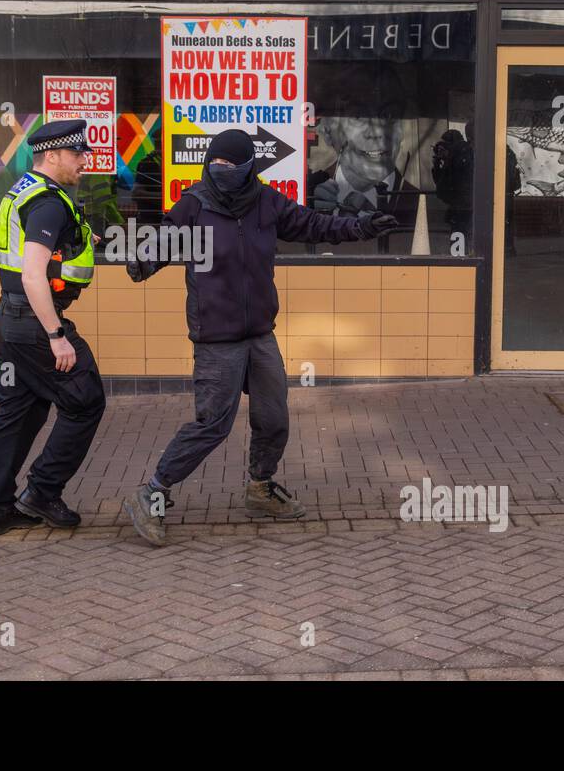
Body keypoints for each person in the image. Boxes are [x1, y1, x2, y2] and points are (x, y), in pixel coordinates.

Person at [121, 128, 396, 546]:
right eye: (217, 163)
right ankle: (153, 493)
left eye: (232, 165)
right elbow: (163, 237)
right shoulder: (195, 206)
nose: (222, 170)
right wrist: (143, 259)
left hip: (260, 335)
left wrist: (360, 227)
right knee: (212, 425)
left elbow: (312, 223)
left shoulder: (266, 203)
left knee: (274, 419)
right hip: (217, 339)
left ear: (249, 167)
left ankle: (260, 488)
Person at [0, 119, 106, 536]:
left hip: (10, 322)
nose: (84, 161)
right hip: (35, 325)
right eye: (77, 154)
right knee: (85, 399)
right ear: (52, 156)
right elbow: (34, 274)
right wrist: (57, 336)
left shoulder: (24, 191)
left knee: (18, 412)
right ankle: (42, 492)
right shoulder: (48, 202)